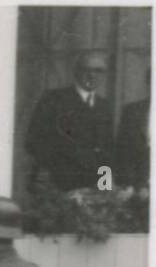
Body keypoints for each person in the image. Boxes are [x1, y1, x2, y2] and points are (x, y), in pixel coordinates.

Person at [25, 52, 115, 192]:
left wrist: (106, 186)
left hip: (93, 186)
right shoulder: (53, 99)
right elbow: (33, 141)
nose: (92, 75)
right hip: (58, 184)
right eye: (87, 69)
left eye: (98, 71)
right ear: (76, 71)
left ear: (104, 75)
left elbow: (107, 150)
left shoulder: (104, 106)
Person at [116, 69, 150, 194]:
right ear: (148, 83)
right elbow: (123, 151)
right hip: (136, 187)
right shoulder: (132, 111)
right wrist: (129, 185)